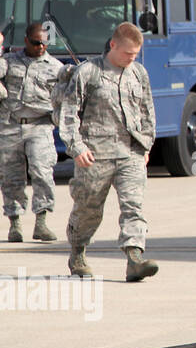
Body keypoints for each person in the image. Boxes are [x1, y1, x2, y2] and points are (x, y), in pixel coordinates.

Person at [60, 22, 158, 281]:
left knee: (133, 206)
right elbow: (68, 115)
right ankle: (77, 251)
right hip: (94, 155)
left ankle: (134, 258)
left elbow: (148, 112)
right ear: (113, 45)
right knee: (89, 208)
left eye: (135, 54)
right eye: (127, 53)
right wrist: (77, 147)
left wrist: (146, 145)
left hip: (130, 152)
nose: (131, 58)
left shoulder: (138, 74)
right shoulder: (88, 73)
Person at [1, 24, 64, 243]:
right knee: (11, 177)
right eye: (36, 43)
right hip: (10, 125)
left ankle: (41, 222)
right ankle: (15, 223)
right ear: (26, 40)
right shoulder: (9, 62)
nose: (41, 47)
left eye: (45, 43)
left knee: (42, 171)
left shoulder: (55, 67)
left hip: (40, 126)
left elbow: (64, 98)